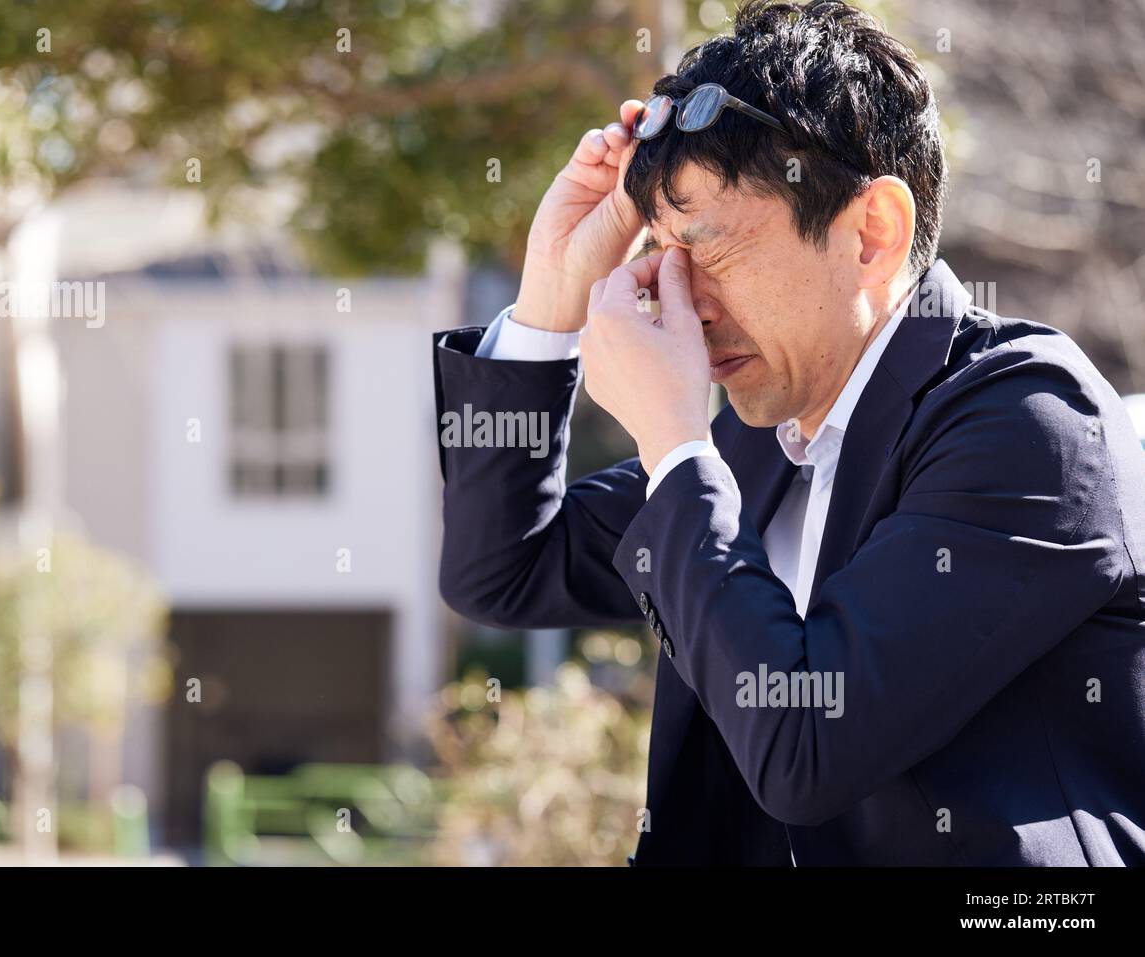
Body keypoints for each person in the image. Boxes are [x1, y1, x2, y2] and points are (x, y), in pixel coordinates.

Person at [431, 0, 1145, 865]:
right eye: (663, 257)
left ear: (872, 234)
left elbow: (807, 742)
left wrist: (673, 439)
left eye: (711, 253)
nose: (680, 304)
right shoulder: (762, 445)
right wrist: (550, 299)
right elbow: (503, 571)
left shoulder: (1031, 420)